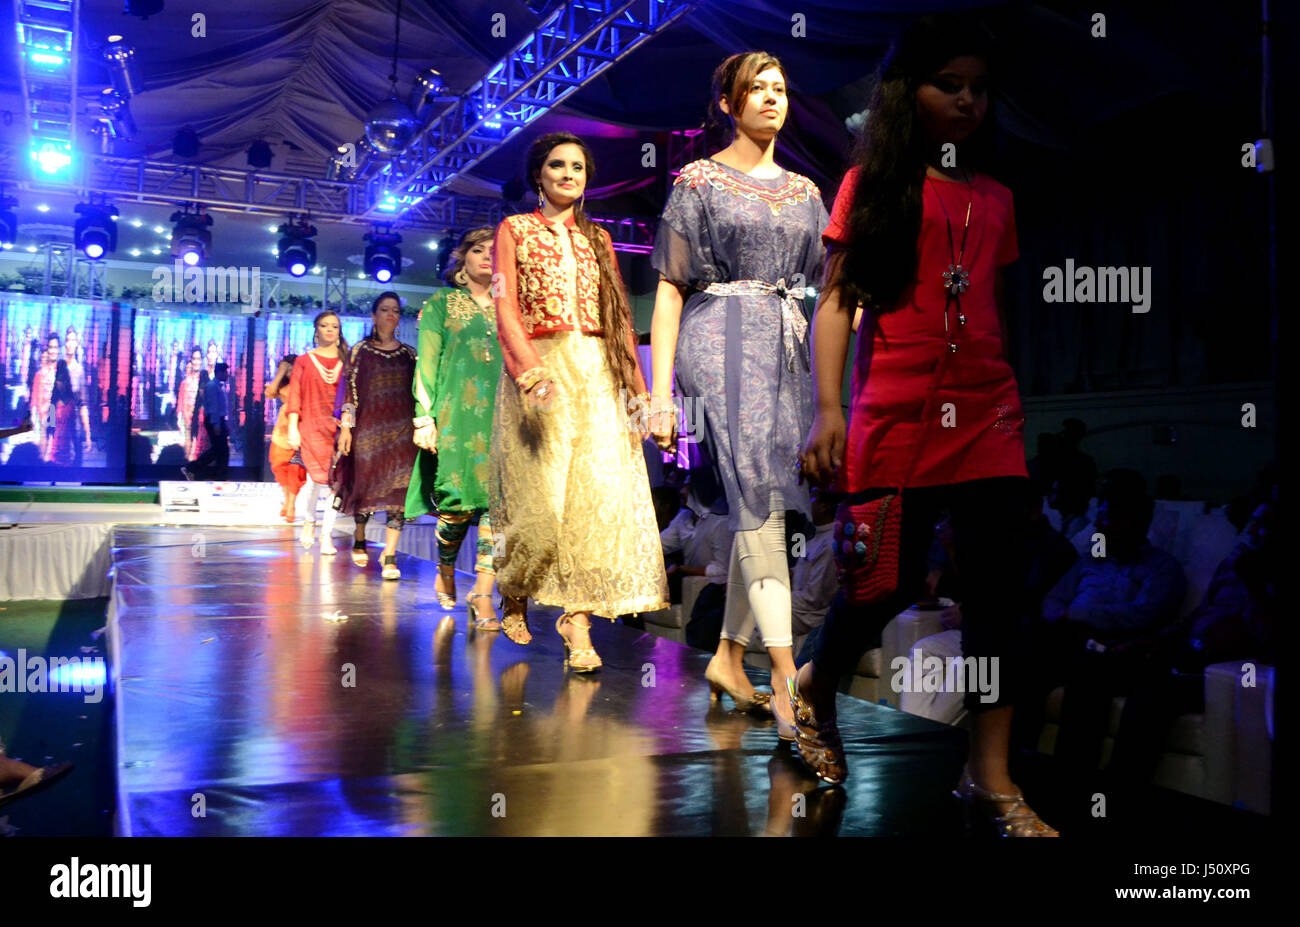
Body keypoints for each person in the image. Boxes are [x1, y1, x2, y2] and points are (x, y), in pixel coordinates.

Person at [796, 15, 1058, 835]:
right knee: (884, 584)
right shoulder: (872, 185)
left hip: (987, 415)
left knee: (997, 601)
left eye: (981, 87)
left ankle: (989, 777)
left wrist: (1009, 397)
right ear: (910, 91)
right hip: (896, 410)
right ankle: (812, 687)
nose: (970, 100)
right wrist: (831, 407)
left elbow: (990, 309)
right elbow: (837, 300)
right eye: (952, 84)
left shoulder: (998, 198)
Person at [648, 51, 829, 734]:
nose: (770, 99)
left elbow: (832, 289)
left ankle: (727, 656)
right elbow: (668, 284)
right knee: (757, 492)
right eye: (755, 89)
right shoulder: (697, 180)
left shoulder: (807, 193)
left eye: (780, 88)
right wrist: (660, 392)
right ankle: (787, 677)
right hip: (718, 332)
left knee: (777, 506)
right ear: (728, 102)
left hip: (786, 343)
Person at [489, 131, 669, 671]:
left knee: (595, 499)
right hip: (540, 370)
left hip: (595, 375)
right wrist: (529, 371)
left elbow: (618, 322)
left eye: (578, 167)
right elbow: (504, 308)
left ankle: (577, 618)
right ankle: (514, 584)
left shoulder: (600, 240)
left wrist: (641, 398)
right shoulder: (514, 230)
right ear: (538, 175)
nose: (568, 174)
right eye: (557, 165)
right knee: (540, 502)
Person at [1016, 469, 1186, 775]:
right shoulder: (1089, 560)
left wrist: (1082, 616)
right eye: (1101, 518)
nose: (1100, 525)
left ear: (1136, 523)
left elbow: (1146, 613)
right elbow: (1052, 602)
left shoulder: (1162, 568)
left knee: (1087, 674)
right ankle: (1018, 760)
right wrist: (1066, 619)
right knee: (1025, 655)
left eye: (1110, 519)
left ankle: (1073, 775)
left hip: (1121, 650)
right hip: (1071, 638)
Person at [405, 228, 503, 625]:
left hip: (501, 417)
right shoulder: (441, 304)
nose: (487, 257)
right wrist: (423, 418)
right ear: (461, 259)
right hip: (454, 417)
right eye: (478, 250)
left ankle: (482, 594)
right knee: (456, 507)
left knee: (499, 508)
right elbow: (427, 363)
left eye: (495, 252)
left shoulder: (510, 306)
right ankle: (446, 569)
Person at [334, 293, 418, 580]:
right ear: (374, 316)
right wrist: (346, 428)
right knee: (366, 485)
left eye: (395, 310)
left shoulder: (409, 354)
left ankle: (390, 553)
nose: (390, 314)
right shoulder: (360, 351)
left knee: (400, 491)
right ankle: (360, 537)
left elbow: (418, 393)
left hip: (402, 432)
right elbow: (349, 392)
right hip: (368, 429)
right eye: (384, 310)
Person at [286, 311, 348, 555]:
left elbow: (353, 397)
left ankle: (327, 535)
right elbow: (295, 395)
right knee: (313, 481)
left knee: (337, 484)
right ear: (317, 329)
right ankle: (309, 520)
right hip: (311, 427)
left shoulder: (348, 360)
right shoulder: (303, 361)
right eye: (324, 325)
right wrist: (293, 427)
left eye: (334, 326)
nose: (330, 330)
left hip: (339, 429)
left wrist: (349, 426)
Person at [265, 355, 306, 522]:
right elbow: (269, 393)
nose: (290, 372)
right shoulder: (282, 385)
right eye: (287, 369)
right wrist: (280, 373)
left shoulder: (306, 384)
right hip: (282, 433)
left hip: (301, 431)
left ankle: (291, 505)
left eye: (292, 368)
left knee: (296, 471)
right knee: (279, 467)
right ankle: (287, 499)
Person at [184, 362, 231, 479]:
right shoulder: (212, 386)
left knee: (220, 450)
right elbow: (213, 407)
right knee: (219, 450)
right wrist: (216, 424)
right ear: (219, 373)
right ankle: (192, 468)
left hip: (218, 420)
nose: (227, 375)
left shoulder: (217, 386)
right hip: (214, 420)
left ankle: (219, 476)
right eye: (225, 372)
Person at [176, 347, 209, 462]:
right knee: (188, 450)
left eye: (198, 359)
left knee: (199, 451)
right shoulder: (185, 382)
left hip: (201, 421)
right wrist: (180, 416)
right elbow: (181, 400)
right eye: (194, 359)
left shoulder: (205, 380)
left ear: (201, 360)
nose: (196, 362)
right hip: (188, 420)